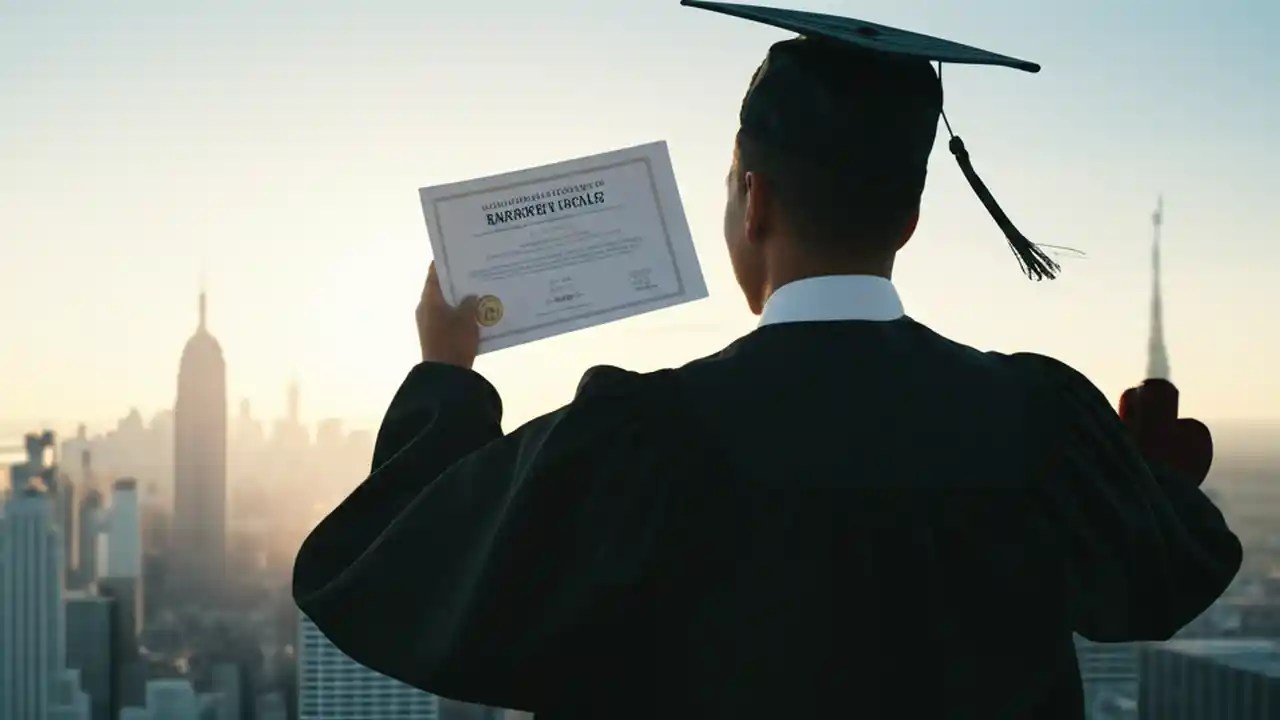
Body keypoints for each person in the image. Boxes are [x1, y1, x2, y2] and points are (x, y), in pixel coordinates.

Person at [292, 4, 1242, 718]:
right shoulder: (1038, 418)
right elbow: (1163, 579)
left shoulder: (636, 438)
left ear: (753, 204)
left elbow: (377, 574)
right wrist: (1148, 481)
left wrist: (449, 377)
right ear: (911, 217)